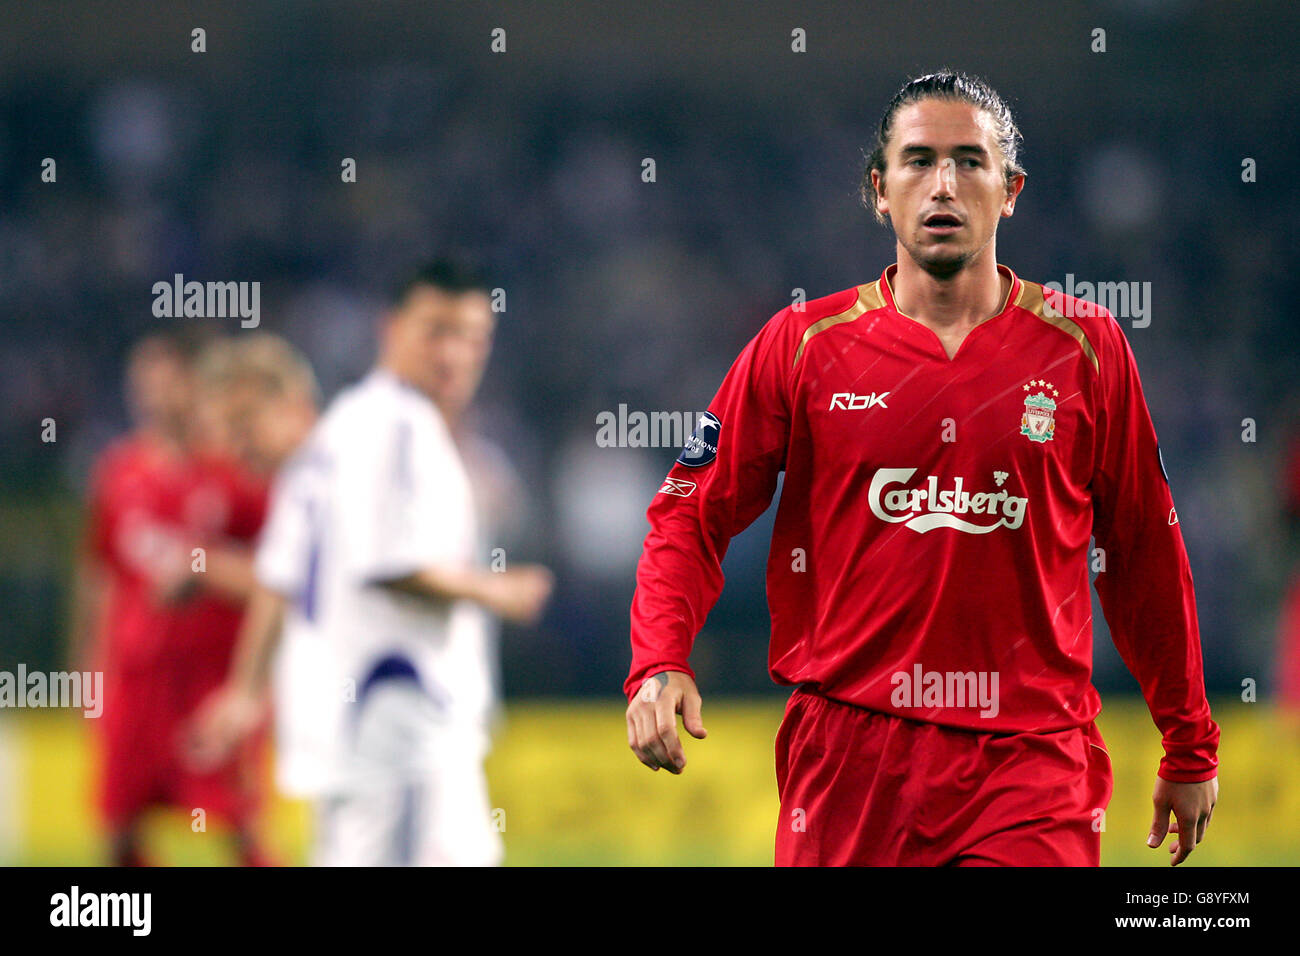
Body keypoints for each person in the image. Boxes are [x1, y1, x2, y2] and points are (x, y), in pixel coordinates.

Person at [624, 70, 1219, 867]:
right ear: (879, 189)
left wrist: (1189, 741)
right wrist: (659, 662)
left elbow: (1144, 549)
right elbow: (690, 512)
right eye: (919, 160)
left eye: (971, 161)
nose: (944, 183)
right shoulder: (801, 345)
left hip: (1031, 759)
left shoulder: (1086, 347)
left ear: (1011, 191)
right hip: (847, 761)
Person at [190, 261, 553, 866]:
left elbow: (277, 582)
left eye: (471, 338)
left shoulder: (336, 439)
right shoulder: (396, 423)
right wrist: (501, 593)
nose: (455, 354)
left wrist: (246, 691)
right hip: (400, 733)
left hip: (359, 736)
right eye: (436, 330)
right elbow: (392, 567)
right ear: (392, 329)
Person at [75, 331, 270, 866]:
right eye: (142, 382)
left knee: (239, 826)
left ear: (192, 384)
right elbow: (100, 580)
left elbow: (276, 577)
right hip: (138, 677)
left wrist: (205, 572)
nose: (151, 395)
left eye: (164, 380)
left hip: (212, 677)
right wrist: (89, 677)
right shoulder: (118, 473)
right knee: (119, 829)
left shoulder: (235, 472)